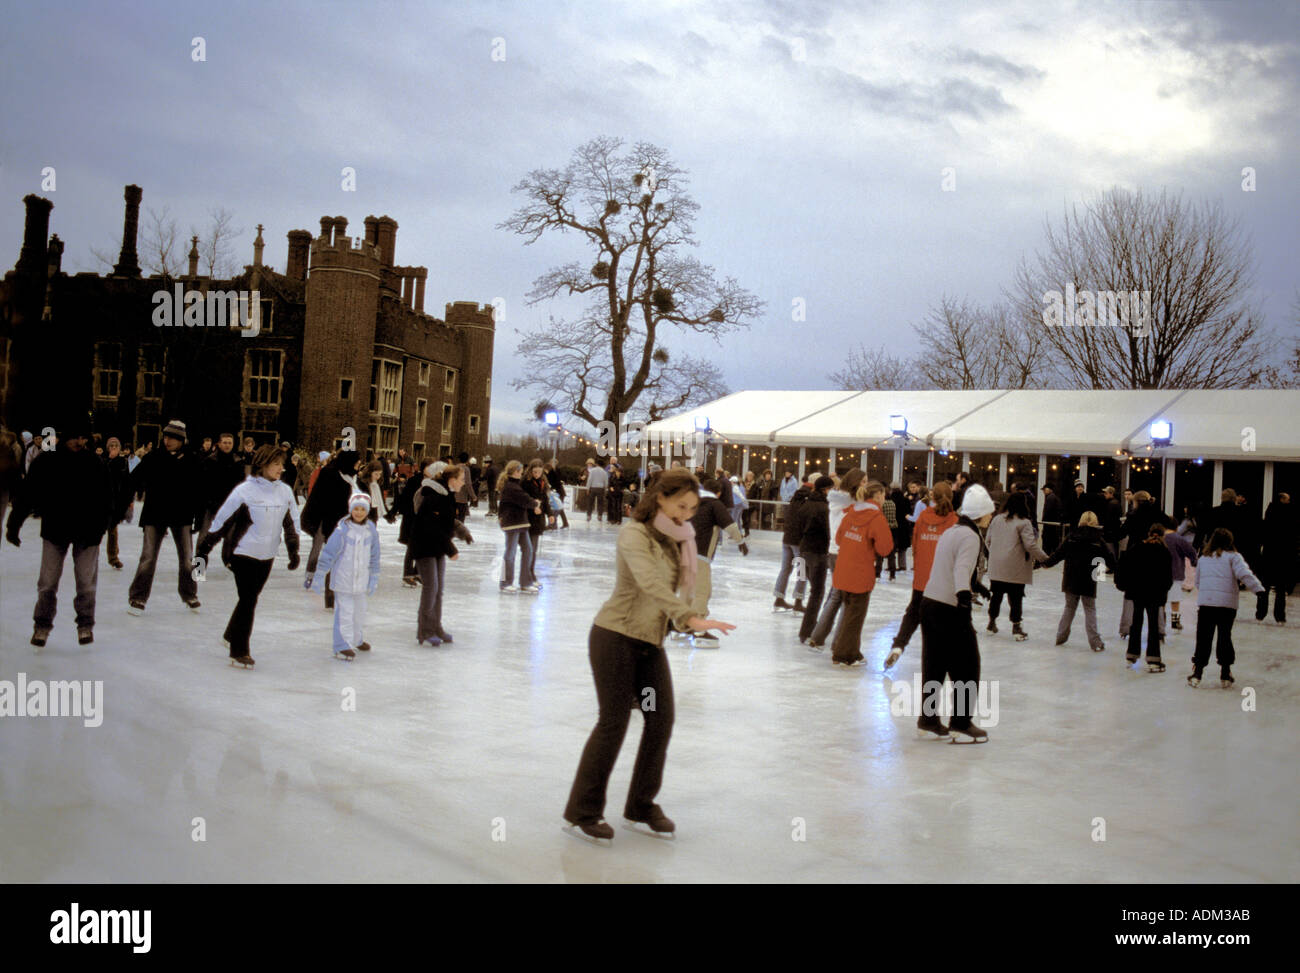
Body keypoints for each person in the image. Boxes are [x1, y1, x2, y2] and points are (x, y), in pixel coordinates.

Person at [562, 468, 735, 844]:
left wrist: (689, 619)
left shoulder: (679, 539)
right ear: (661, 498)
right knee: (614, 722)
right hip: (615, 640)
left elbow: (676, 591)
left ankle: (640, 805)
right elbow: (650, 584)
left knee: (660, 719)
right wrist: (689, 617)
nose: (686, 515)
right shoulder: (634, 535)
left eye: (691, 509)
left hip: (648, 644)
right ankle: (583, 811)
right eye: (681, 506)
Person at [7, 419, 113, 647]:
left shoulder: (95, 463)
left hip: (88, 532)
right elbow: (28, 495)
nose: (79, 442)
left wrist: (103, 526)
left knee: (86, 583)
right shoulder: (48, 462)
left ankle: (85, 624)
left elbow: (106, 498)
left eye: (83, 438)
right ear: (65, 438)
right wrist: (14, 524)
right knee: (47, 582)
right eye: (75, 437)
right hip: (56, 530)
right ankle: (42, 626)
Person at [196, 444, 301, 668]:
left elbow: (290, 521)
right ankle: (239, 650)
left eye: (282, 464)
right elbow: (222, 521)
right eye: (276, 464)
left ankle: (229, 634)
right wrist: (204, 548)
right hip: (241, 553)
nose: (281, 469)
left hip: (267, 554)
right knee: (248, 599)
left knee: (250, 598)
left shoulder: (284, 491)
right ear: (262, 465)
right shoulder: (245, 491)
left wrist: (293, 549)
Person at [916, 484, 996, 742]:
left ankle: (928, 718)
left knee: (935, 664)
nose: (991, 516)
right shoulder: (971, 536)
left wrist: (976, 586)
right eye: (989, 512)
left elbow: (948, 566)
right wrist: (964, 599)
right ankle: (961, 723)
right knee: (968, 666)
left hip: (929, 603)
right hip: (949, 608)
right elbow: (961, 570)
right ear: (981, 514)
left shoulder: (952, 530)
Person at [126, 420, 204, 615]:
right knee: (148, 557)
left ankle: (190, 593)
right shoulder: (154, 458)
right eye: (166, 437)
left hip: (182, 515)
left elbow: (200, 491)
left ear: (181, 440)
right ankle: (138, 597)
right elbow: (133, 480)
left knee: (188, 558)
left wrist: (199, 518)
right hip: (155, 514)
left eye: (172, 438)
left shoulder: (192, 460)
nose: (167, 441)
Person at [885, 481, 958, 667]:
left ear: (932, 497)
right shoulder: (954, 521)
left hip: (922, 576)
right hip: (943, 579)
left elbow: (915, 546)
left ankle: (898, 646)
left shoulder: (924, 516)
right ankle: (941, 658)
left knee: (913, 613)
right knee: (944, 619)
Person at [674, 477, 748, 648]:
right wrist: (741, 542)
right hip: (698, 554)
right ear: (719, 492)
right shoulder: (714, 504)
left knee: (686, 590)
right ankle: (699, 629)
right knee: (701, 592)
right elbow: (730, 526)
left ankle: (681, 627)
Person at [828, 480, 893, 667]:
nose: (884, 498)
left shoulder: (850, 514)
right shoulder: (876, 518)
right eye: (883, 495)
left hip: (843, 570)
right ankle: (843, 654)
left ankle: (852, 652)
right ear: (878, 496)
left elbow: (839, 539)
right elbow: (885, 548)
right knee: (855, 616)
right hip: (861, 573)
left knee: (850, 613)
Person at [307, 493, 380, 660]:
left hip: (361, 580)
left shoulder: (371, 531)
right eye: (356, 509)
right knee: (345, 613)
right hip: (343, 580)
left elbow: (375, 554)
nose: (359, 512)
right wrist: (319, 575)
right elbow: (328, 554)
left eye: (363, 509)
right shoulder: (342, 531)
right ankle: (341, 645)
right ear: (350, 510)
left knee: (359, 612)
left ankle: (356, 638)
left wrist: (374, 576)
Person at [1190, 528, 1265, 688]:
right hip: (1227, 604)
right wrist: (1259, 591)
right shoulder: (1234, 557)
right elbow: (1245, 575)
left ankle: (1197, 673)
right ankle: (1225, 672)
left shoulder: (1203, 558)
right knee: (1225, 637)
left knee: (1203, 638)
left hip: (1206, 604)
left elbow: (1197, 582)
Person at [410, 462, 465, 646]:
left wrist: (461, 532)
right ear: (452, 480)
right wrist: (451, 549)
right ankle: (425, 630)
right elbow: (431, 526)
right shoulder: (433, 495)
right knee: (431, 589)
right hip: (424, 547)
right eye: (461, 480)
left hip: (438, 548)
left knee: (438, 590)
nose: (463, 483)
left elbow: (446, 523)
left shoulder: (447, 494)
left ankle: (436, 626)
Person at [1041, 511, 1114, 651]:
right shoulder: (1098, 539)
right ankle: (1095, 642)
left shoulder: (1072, 536)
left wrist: (1047, 563)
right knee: (1090, 609)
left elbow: (1059, 553)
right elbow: (1109, 557)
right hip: (1090, 577)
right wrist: (1116, 569)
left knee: (1069, 607)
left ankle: (1060, 636)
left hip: (1071, 576)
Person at [806, 470, 862, 649]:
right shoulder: (847, 502)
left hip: (835, 551)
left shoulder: (839, 500)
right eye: (863, 482)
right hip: (842, 552)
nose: (865, 486)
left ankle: (819, 636)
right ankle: (839, 642)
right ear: (855, 483)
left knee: (836, 595)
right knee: (845, 597)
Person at [300, 450, 360, 610]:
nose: (358, 465)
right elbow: (320, 499)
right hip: (327, 521)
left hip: (341, 522)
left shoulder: (348, 476)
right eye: (356, 462)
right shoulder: (331, 473)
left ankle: (335, 595)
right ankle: (329, 594)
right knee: (330, 555)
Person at [1115, 524, 1175, 672]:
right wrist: (1163, 593)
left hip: (1137, 592)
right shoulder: (1164, 552)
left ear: (1149, 533)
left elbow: (1124, 564)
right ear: (1162, 536)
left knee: (1136, 622)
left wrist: (1124, 585)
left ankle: (1132, 653)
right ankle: (1153, 658)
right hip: (1154, 594)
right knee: (1153, 625)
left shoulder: (1137, 548)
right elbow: (1168, 578)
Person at [197, 433, 245, 550]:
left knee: (231, 539)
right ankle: (199, 566)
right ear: (219, 444)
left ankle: (230, 563)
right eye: (225, 442)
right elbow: (203, 485)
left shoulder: (238, 462)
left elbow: (242, 486)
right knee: (204, 537)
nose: (227, 445)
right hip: (212, 505)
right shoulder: (210, 461)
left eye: (230, 443)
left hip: (231, 506)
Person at [498, 460, 540, 593]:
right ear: (516, 471)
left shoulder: (515, 485)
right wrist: (535, 503)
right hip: (512, 523)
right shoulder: (511, 487)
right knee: (509, 554)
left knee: (528, 550)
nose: (522, 473)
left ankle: (525, 582)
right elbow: (525, 500)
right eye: (520, 471)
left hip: (521, 523)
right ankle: (505, 582)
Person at [773, 475, 812, 612]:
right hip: (798, 541)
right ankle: (798, 601)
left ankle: (778, 599)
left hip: (787, 539)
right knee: (802, 571)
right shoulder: (807, 502)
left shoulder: (794, 499)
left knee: (785, 569)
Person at [1257, 493, 1296, 623]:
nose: (1289, 502)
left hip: (1269, 554)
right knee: (1281, 588)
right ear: (1282, 499)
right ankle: (1280, 616)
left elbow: (1263, 532)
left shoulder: (1270, 512)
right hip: (1283, 556)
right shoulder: (1290, 515)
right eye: (1288, 499)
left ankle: (1260, 613)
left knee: (1265, 586)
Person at [1164, 524, 1198, 631]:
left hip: (1160, 574)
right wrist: (1194, 562)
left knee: (1161, 599)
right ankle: (1175, 621)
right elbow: (1191, 552)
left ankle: (1161, 619)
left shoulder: (1159, 537)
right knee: (1175, 598)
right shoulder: (1178, 539)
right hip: (1176, 572)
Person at [523, 460, 549, 579]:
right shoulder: (526, 483)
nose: (536, 474)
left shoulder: (543, 482)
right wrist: (532, 507)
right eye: (534, 471)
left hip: (538, 520)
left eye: (539, 471)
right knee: (529, 549)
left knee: (534, 549)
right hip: (527, 519)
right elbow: (523, 499)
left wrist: (550, 514)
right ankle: (527, 573)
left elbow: (545, 500)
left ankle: (530, 572)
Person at [544, 459, 569, 529]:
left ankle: (553, 524)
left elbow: (556, 482)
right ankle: (564, 523)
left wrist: (551, 488)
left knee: (557, 508)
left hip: (559, 493)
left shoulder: (554, 472)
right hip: (558, 493)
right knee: (559, 509)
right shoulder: (552, 473)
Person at [1040, 485, 1064, 555]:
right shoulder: (1054, 497)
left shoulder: (1050, 498)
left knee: (1047, 545)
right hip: (1053, 525)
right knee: (1053, 545)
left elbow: (1048, 511)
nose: (1044, 491)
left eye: (1045, 489)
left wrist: (1044, 521)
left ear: (1050, 489)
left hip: (1049, 526)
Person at [454, 451, 477, 522]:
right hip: (461, 498)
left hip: (453, 498)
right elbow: (468, 484)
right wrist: (473, 496)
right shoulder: (466, 469)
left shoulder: (454, 468)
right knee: (460, 520)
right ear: (467, 460)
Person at [584, 458, 608, 523]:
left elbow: (590, 480)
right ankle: (600, 515)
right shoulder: (604, 472)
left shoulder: (592, 471)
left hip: (593, 488)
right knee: (600, 503)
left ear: (597, 464)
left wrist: (588, 488)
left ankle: (589, 515)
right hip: (600, 489)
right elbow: (606, 482)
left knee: (590, 503)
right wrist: (605, 488)